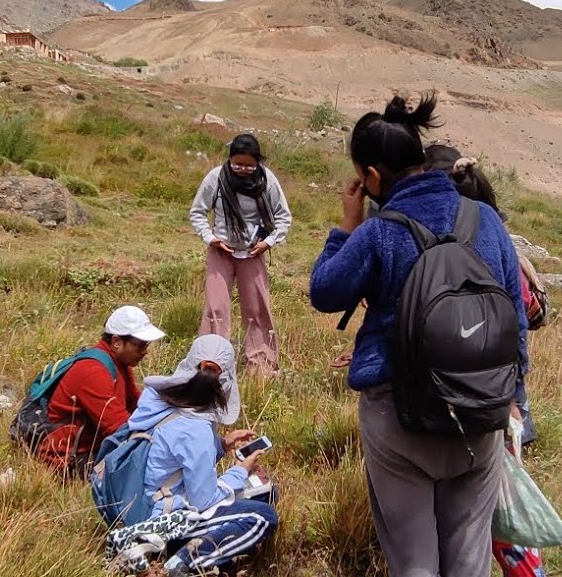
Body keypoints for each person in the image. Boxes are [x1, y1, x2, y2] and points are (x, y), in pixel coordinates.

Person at [308, 95, 528, 577]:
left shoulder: (378, 232)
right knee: (469, 557)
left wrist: (348, 223)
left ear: (370, 177)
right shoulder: (483, 219)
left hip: (399, 414)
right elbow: (514, 312)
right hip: (482, 410)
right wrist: (513, 396)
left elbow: (325, 291)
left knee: (413, 563)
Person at [421, 148, 549, 577]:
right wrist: (516, 391)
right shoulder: (499, 242)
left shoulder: (452, 244)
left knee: (486, 514)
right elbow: (521, 319)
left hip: (474, 398)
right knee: (494, 508)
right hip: (502, 392)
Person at [123, 334, 278, 576]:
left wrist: (221, 445)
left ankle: (198, 549)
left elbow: (174, 459)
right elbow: (203, 500)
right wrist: (240, 471)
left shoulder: (155, 399)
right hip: (165, 517)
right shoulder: (196, 430)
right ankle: (181, 561)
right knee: (263, 514)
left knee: (261, 495)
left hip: (141, 500)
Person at [188, 134, 292, 375]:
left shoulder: (267, 180)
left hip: (253, 252)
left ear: (258, 163)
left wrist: (268, 242)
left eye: (248, 165)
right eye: (237, 164)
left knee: (257, 308)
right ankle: (211, 363)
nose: (242, 169)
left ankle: (261, 363)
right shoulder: (216, 179)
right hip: (221, 251)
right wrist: (211, 239)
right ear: (229, 159)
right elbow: (197, 212)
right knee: (216, 307)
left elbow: (283, 216)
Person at [37, 305, 166, 476]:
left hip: (93, 447)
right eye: (140, 346)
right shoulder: (92, 371)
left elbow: (137, 405)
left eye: (146, 345)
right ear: (116, 342)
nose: (145, 352)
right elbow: (118, 428)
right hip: (67, 458)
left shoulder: (120, 364)